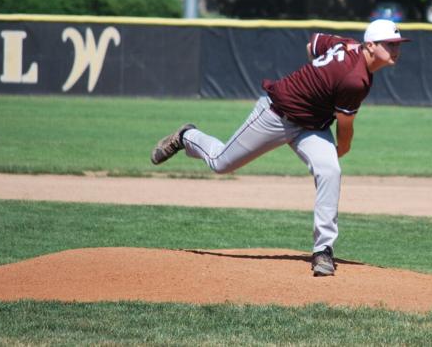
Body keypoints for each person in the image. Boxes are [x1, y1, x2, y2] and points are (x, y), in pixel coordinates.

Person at [150, 19, 410, 276]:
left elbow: (313, 45)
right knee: (221, 163)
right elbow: (345, 127)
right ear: (370, 45)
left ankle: (323, 250)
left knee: (330, 171)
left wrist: (317, 83)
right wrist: (343, 148)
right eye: (390, 44)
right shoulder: (355, 79)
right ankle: (187, 136)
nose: (396, 49)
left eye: (398, 44)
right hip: (276, 115)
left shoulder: (346, 44)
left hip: (312, 126)